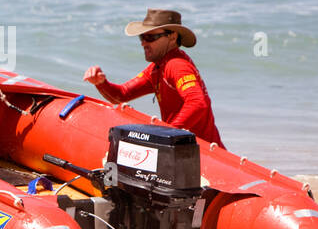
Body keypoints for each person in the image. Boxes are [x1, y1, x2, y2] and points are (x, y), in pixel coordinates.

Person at [83, 8, 224, 147]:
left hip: (204, 152)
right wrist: (101, 83)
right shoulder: (156, 69)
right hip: (183, 147)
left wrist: (166, 134)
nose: (143, 43)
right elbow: (121, 95)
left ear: (172, 37)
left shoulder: (177, 65)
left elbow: (197, 103)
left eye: (150, 37)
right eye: (142, 37)